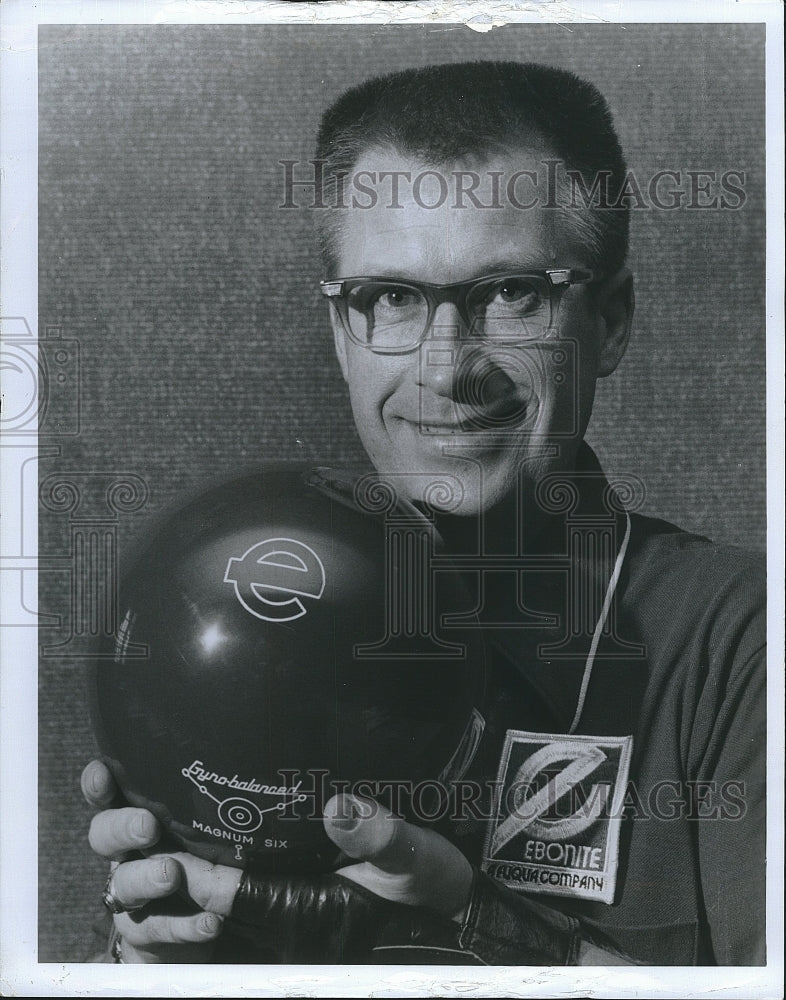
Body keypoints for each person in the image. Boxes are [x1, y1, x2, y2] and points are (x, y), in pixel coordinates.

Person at [81, 61, 766, 966]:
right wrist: (160, 966)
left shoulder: (739, 648)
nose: (448, 369)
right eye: (391, 299)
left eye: (510, 293)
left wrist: (470, 928)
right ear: (340, 332)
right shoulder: (224, 622)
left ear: (613, 320)